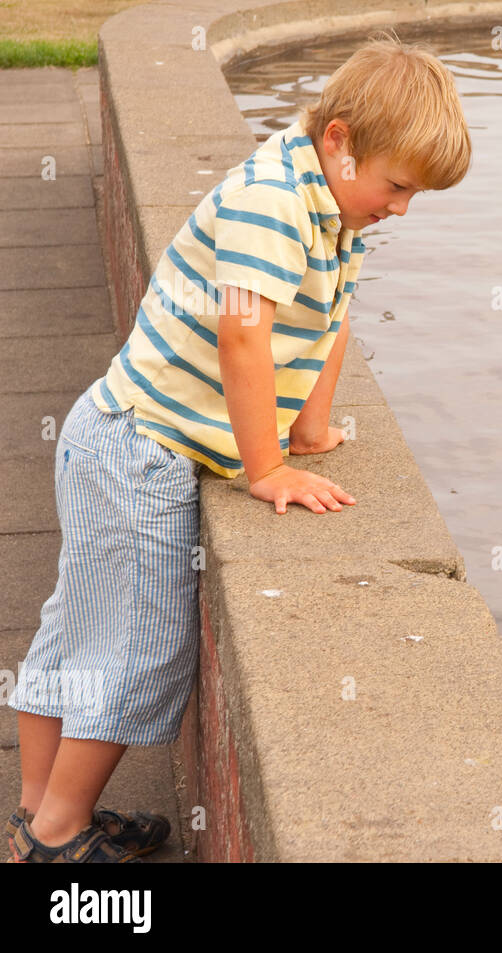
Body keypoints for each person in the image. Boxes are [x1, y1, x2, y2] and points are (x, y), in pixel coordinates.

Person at [5, 29, 471, 862]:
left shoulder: (325, 202)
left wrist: (311, 429)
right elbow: (246, 334)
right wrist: (268, 468)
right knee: (139, 647)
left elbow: (327, 318)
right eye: (398, 185)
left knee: (77, 629)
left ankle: (38, 812)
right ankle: (58, 837)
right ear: (340, 141)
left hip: (115, 434)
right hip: (137, 450)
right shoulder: (273, 201)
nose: (402, 206)